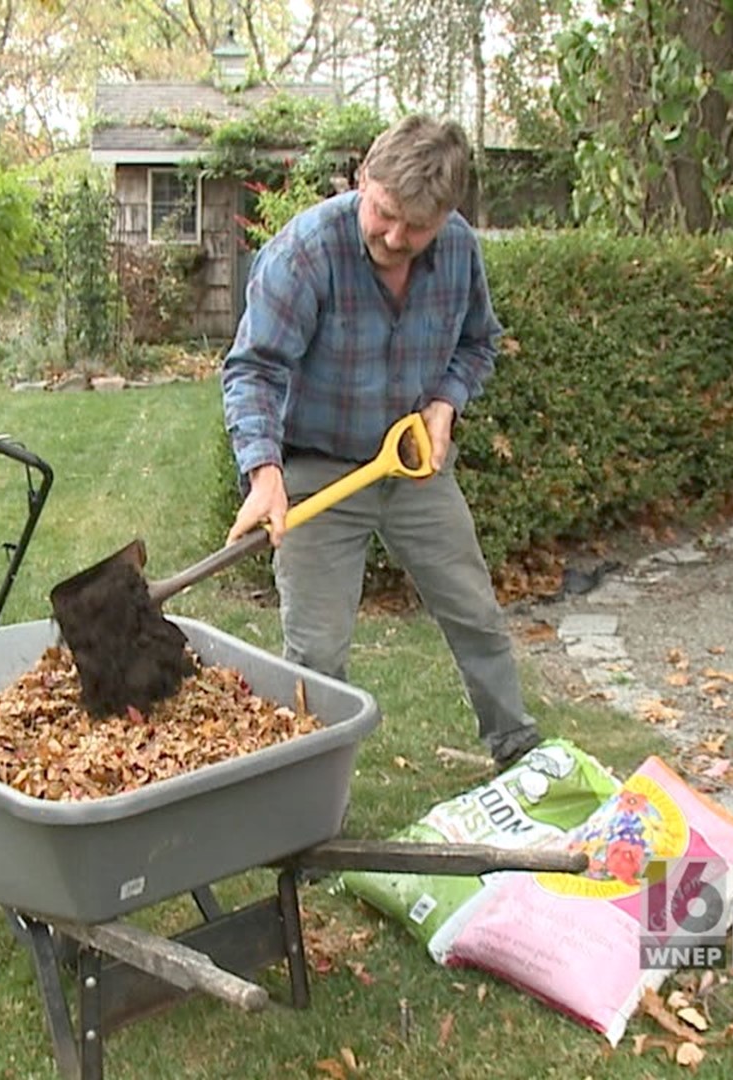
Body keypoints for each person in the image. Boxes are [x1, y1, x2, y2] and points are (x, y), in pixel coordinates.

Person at [220, 113, 543, 769]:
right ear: (363, 177)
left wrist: (446, 404)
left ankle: (518, 749)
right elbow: (254, 368)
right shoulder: (305, 252)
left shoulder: (458, 251)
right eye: (385, 212)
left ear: (446, 215)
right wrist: (264, 471)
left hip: (411, 465)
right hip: (318, 471)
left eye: (416, 227)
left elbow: (478, 343)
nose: (395, 237)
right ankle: (304, 791)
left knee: (475, 613)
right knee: (316, 652)